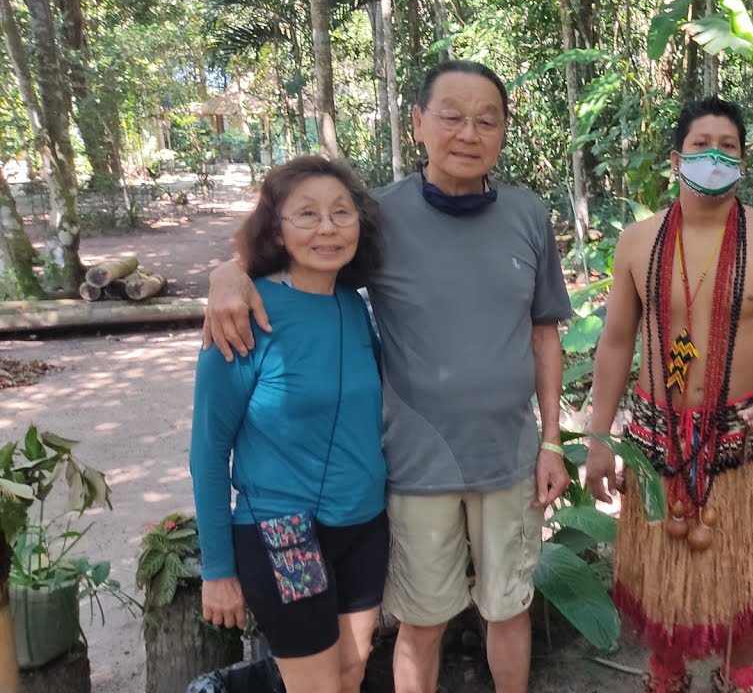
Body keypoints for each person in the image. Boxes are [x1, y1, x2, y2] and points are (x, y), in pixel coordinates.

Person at [203, 60, 574, 693]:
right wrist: (228, 272)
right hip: (414, 467)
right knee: (421, 623)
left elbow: (545, 333)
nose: (468, 133)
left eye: (487, 120)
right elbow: (306, 240)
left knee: (508, 609)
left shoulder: (528, 215)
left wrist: (551, 441)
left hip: (509, 458)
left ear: (505, 132)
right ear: (419, 123)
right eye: (451, 116)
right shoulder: (380, 216)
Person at [583, 97, 753, 693]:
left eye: (729, 146)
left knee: (747, 565)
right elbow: (614, 343)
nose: (715, 154)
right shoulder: (639, 241)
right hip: (654, 433)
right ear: (676, 158)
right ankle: (666, 669)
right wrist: (598, 438)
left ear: (743, 159)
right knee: (662, 570)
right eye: (700, 144)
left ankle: (738, 670)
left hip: (745, 434)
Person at [191, 156, 387, 693]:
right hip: (285, 532)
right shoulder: (245, 315)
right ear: (276, 230)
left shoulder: (355, 305)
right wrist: (217, 569)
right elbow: (208, 452)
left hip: (365, 526)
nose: (327, 227)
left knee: (352, 671)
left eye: (340, 213)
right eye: (307, 214)